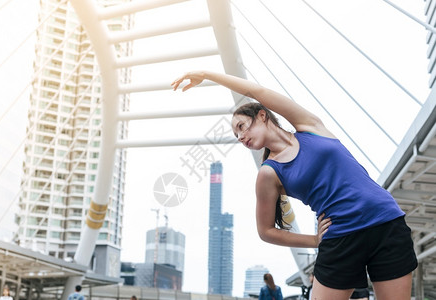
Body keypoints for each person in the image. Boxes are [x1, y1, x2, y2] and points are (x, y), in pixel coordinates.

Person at [172, 71, 418, 300]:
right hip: (341, 237)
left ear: (261, 115)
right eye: (236, 136)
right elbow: (266, 231)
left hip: (387, 223)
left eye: (241, 127)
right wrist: (314, 240)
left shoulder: (309, 126)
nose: (240, 138)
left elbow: (257, 91)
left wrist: (206, 75)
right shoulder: (269, 173)